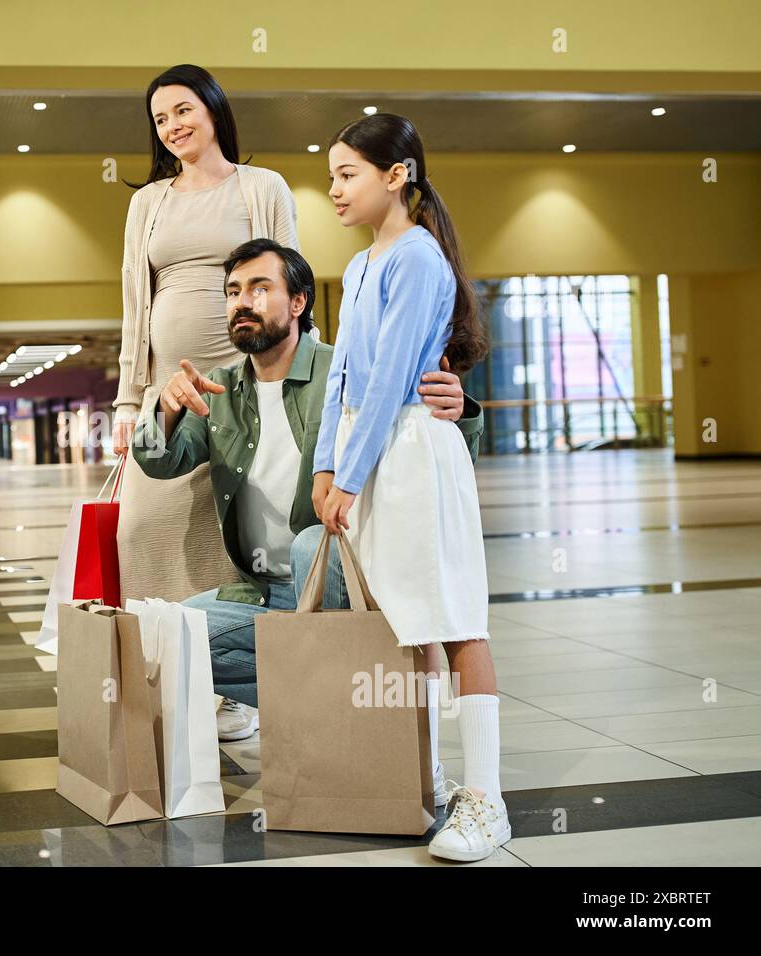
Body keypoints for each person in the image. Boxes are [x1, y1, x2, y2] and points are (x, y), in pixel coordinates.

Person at [132, 237, 482, 810]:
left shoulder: (345, 370)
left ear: (297, 302)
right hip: (265, 594)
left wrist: (458, 408)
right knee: (178, 638)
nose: (243, 302)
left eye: (260, 288)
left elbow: (429, 438)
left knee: (311, 541)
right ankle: (334, 709)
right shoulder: (221, 390)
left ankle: (405, 749)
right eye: (233, 291)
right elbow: (159, 459)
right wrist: (164, 408)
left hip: (342, 578)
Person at [312, 112, 505, 862]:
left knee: (454, 618)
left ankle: (486, 803)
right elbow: (343, 379)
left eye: (346, 173)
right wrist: (326, 470)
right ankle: (422, 779)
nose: (333, 188)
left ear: (397, 176)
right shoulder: (360, 267)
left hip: (414, 449)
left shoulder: (418, 258)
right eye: (331, 175)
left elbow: (392, 377)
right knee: (411, 625)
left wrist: (350, 475)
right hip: (373, 453)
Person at [112, 64, 311, 605]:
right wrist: (129, 401)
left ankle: (228, 672)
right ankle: (161, 669)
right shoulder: (147, 203)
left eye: (183, 110)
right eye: (159, 119)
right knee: (139, 535)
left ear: (214, 110)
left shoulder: (262, 188)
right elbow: (136, 301)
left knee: (238, 542)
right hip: (166, 397)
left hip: (241, 399)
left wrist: (298, 384)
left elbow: (290, 284)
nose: (172, 126)